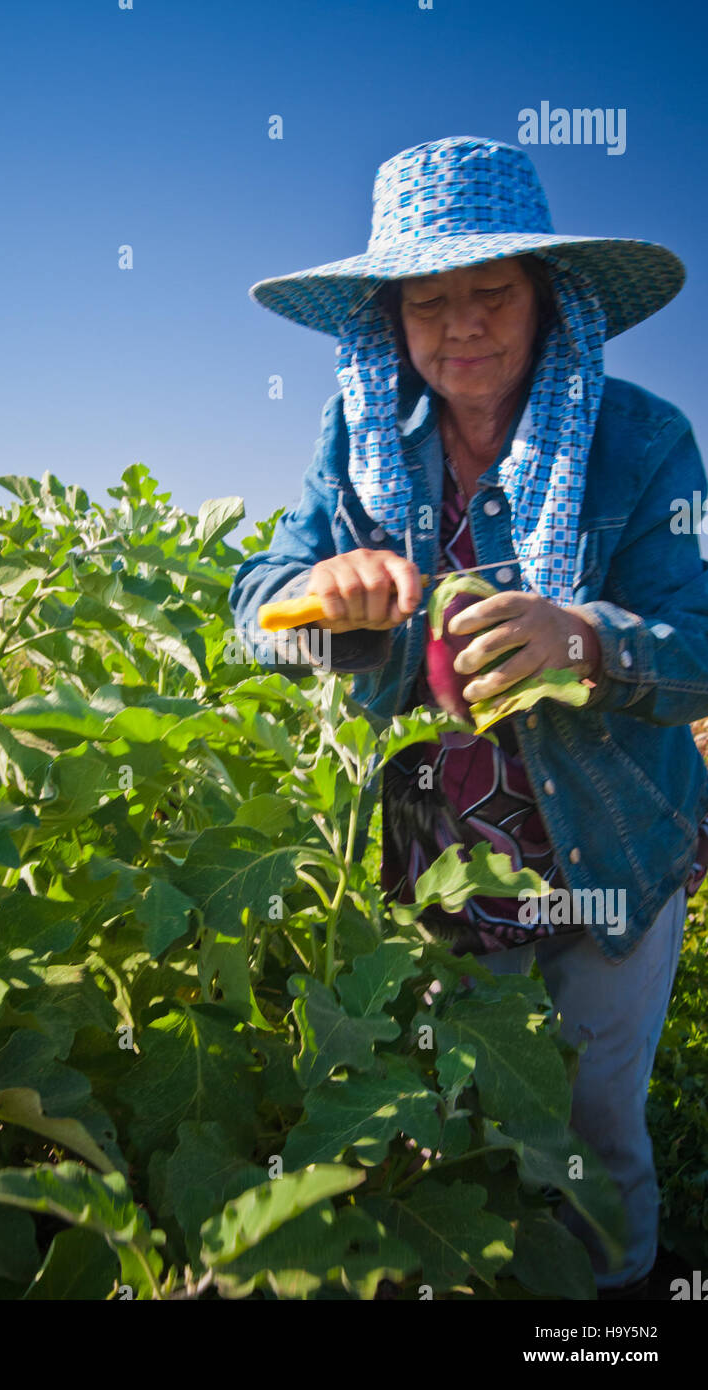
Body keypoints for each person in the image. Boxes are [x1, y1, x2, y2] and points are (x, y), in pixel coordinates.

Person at [229, 136, 708, 1299]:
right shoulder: (353, 443)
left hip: (607, 850)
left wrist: (584, 639)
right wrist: (321, 604)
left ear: (546, 297)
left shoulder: (642, 443)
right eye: (426, 301)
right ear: (388, 319)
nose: (460, 327)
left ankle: (614, 1304)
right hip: (430, 865)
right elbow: (256, 614)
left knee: (594, 1130)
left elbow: (695, 643)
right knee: (452, 1121)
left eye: (489, 292)